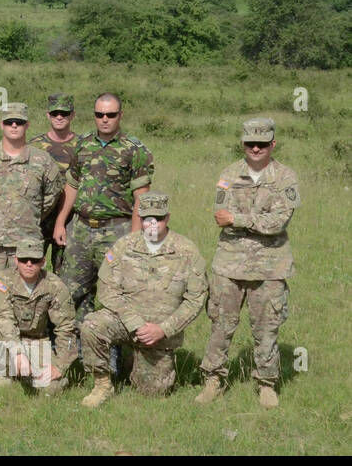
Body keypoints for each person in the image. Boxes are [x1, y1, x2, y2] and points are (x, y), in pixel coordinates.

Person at [197, 118, 300, 410]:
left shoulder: (286, 177)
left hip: (270, 267)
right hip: (229, 264)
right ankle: (213, 381)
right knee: (220, 325)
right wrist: (253, 221)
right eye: (250, 143)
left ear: (272, 144)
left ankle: (266, 384)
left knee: (267, 329)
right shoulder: (228, 174)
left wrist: (240, 219)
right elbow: (220, 215)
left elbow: (279, 222)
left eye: (262, 144)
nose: (255, 148)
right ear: (242, 143)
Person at [80, 192, 206, 407]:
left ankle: (136, 359)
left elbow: (195, 299)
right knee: (92, 325)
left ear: (167, 218)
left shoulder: (186, 251)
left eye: (158, 218)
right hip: (126, 324)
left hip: (160, 333)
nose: (153, 224)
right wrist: (134, 323)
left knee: (152, 392)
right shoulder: (124, 246)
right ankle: (102, 384)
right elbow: (106, 288)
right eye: (147, 219)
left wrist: (163, 329)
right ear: (139, 218)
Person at [52, 93, 153, 321]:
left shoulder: (135, 150)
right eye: (99, 115)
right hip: (81, 229)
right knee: (70, 293)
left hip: (117, 230)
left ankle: (112, 353)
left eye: (110, 114)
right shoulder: (83, 143)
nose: (105, 119)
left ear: (120, 115)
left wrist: (133, 239)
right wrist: (60, 222)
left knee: (116, 295)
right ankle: (76, 350)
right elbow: (72, 184)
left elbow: (142, 199)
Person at [0, 103, 63, 291]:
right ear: (2, 124)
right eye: (10, 122)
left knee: (25, 298)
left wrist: (28, 214)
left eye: (19, 122)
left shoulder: (42, 161)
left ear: (27, 125)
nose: (14, 126)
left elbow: (52, 195)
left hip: (26, 246)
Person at [0, 238, 77, 394]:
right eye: (23, 259)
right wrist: (18, 352)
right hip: (6, 337)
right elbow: (3, 319)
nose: (28, 264)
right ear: (16, 260)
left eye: (34, 260)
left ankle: (30, 374)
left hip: (37, 340)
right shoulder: (2, 281)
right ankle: (7, 371)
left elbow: (66, 327)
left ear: (43, 261)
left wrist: (59, 366)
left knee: (49, 387)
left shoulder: (55, 285)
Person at [28, 93, 78, 272]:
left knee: (64, 273)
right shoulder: (34, 146)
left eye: (64, 113)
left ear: (72, 115)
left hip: (69, 220)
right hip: (39, 220)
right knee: (31, 269)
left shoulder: (81, 146)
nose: (59, 117)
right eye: (55, 113)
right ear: (48, 114)